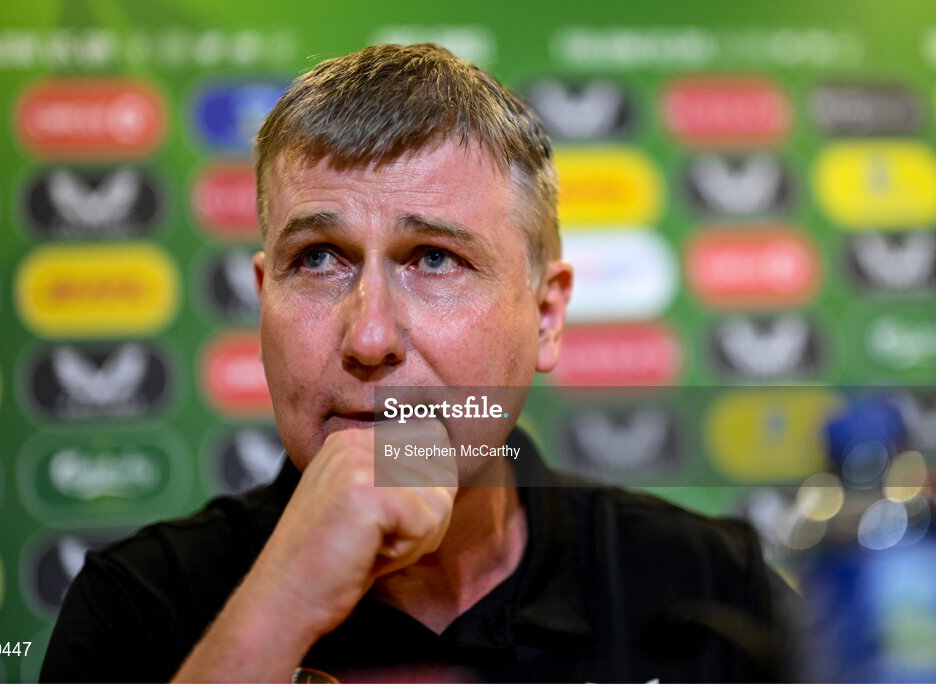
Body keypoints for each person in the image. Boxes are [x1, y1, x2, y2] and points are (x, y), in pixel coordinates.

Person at [40, 43, 788, 683]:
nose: (369, 338)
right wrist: (280, 607)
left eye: (434, 258)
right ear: (264, 300)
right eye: (319, 259)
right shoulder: (135, 605)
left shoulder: (714, 585)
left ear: (547, 313)